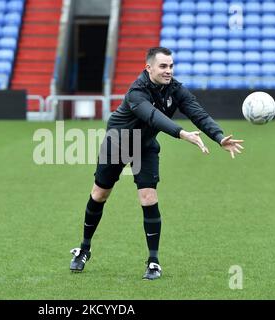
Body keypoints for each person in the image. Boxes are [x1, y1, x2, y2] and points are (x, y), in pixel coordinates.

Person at [69, 47, 244, 280]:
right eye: (163, 66)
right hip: (117, 144)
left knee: (148, 197)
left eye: (171, 66)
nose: (168, 70)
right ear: (148, 68)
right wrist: (183, 134)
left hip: (145, 147)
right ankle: (84, 249)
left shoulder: (176, 89)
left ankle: (153, 261)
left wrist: (219, 137)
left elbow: (197, 113)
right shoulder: (136, 92)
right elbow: (153, 117)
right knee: (99, 195)